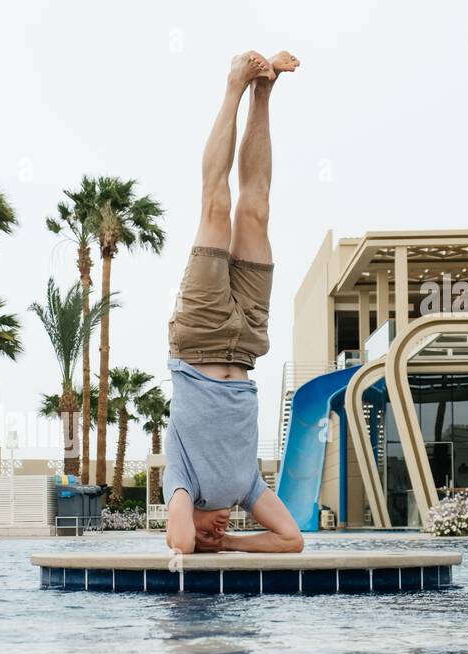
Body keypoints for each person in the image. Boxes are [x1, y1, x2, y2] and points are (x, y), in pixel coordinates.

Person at [163, 51, 304, 555]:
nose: (212, 531)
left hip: (198, 336)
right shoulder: (245, 486)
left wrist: (197, 541)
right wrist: (230, 545)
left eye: (208, 531)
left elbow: (179, 542)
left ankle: (233, 87)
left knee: (216, 205)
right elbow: (292, 542)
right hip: (245, 343)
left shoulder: (181, 482)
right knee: (257, 211)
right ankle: (264, 95)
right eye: (214, 534)